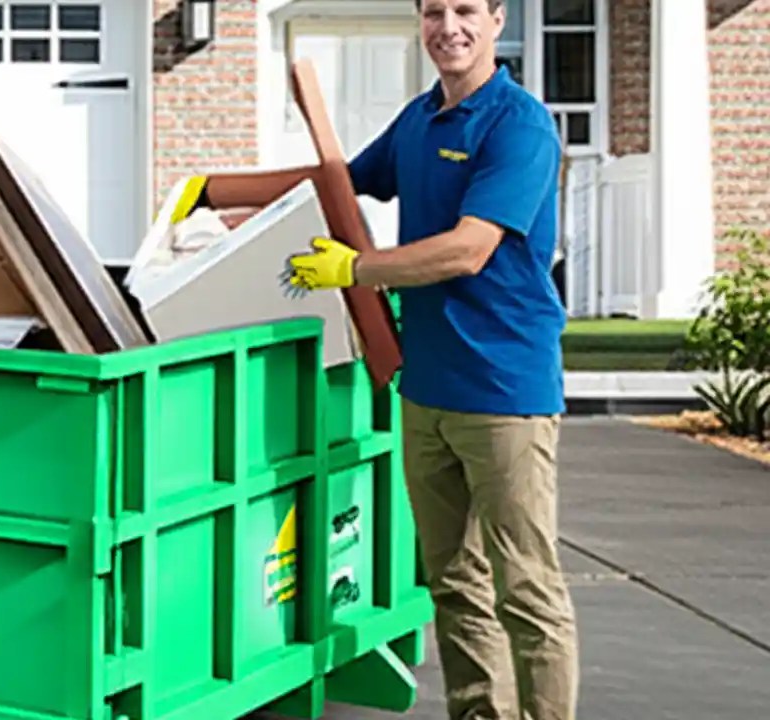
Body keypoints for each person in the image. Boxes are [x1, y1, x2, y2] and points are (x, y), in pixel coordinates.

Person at [281, 1, 580, 719]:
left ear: (498, 19)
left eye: (466, 10)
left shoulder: (519, 124)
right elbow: (339, 184)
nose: (450, 26)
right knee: (452, 581)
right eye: (435, 11)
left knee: (527, 588)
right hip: (427, 390)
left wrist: (358, 269)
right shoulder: (419, 120)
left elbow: (468, 249)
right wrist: (229, 212)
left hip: (504, 389)